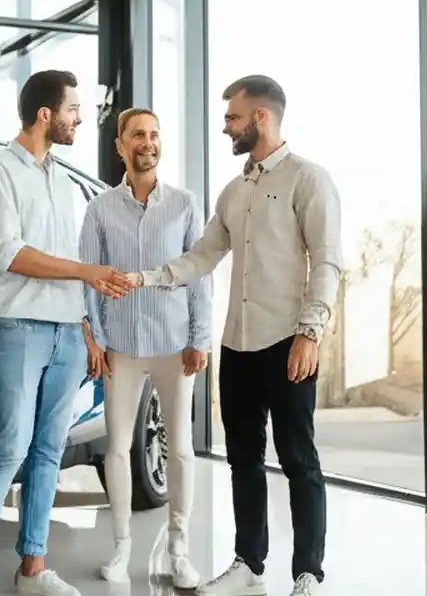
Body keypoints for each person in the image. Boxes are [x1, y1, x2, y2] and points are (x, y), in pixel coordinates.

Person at [126, 75, 341, 596]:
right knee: (242, 459)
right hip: (237, 345)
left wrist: (310, 333)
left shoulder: (308, 179)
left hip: (288, 342)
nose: (226, 128)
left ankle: (307, 573)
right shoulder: (233, 191)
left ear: (260, 117)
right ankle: (249, 563)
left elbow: (328, 261)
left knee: (298, 459)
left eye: (232, 118)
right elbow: (203, 256)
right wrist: (146, 278)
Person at [0, 69, 135, 596]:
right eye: (73, 109)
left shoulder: (62, 181)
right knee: (10, 448)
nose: (79, 118)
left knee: (49, 452)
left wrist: (87, 328)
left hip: (68, 334)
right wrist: (86, 273)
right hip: (20, 328)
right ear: (45, 114)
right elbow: (9, 253)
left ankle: (32, 569)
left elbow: (69, 258)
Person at [78, 107, 210, 589]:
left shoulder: (185, 205)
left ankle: (179, 550)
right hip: (122, 346)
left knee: (181, 449)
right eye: (137, 135)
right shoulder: (99, 209)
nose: (148, 143)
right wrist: (95, 337)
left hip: (175, 345)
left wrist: (200, 338)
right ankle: (120, 549)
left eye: (154, 135)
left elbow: (199, 274)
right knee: (117, 448)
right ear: (120, 146)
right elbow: (88, 280)